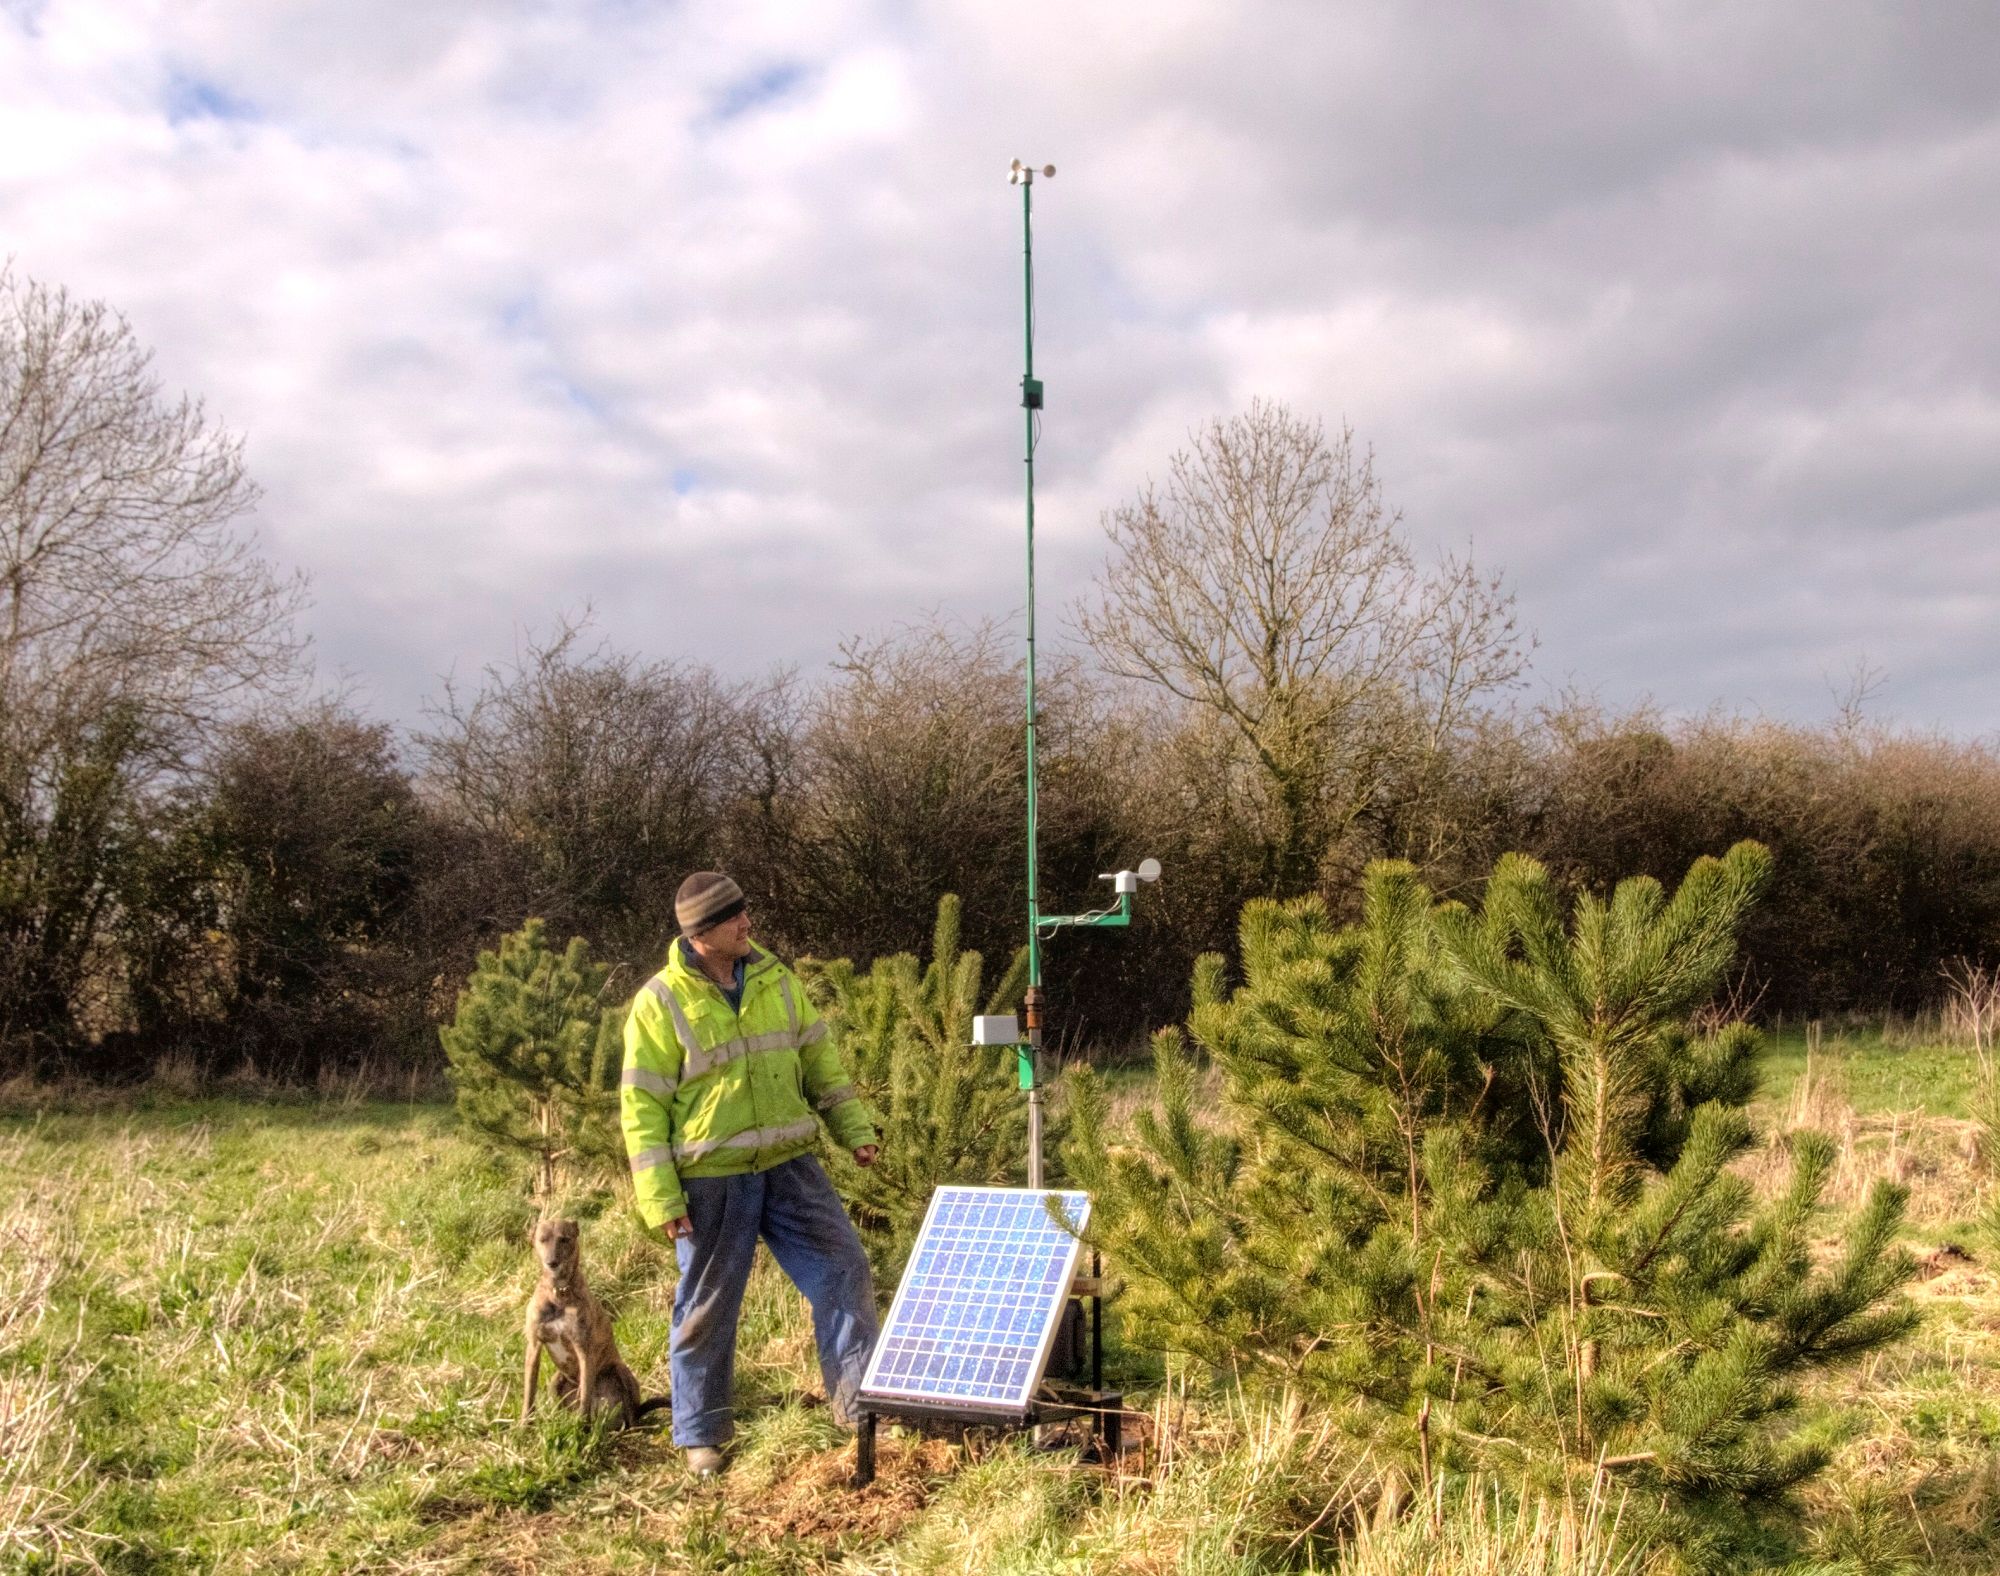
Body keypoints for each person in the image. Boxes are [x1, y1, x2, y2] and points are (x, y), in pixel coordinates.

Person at [619, 871, 881, 1475]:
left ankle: (858, 1409)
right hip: (711, 1178)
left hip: (791, 1166)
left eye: (746, 912)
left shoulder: (776, 980)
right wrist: (660, 1197)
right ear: (702, 933)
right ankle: (700, 1433)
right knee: (707, 1304)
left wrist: (855, 1130)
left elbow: (821, 1060)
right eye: (734, 918)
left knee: (844, 1271)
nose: (748, 923)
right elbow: (641, 1107)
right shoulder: (659, 1002)